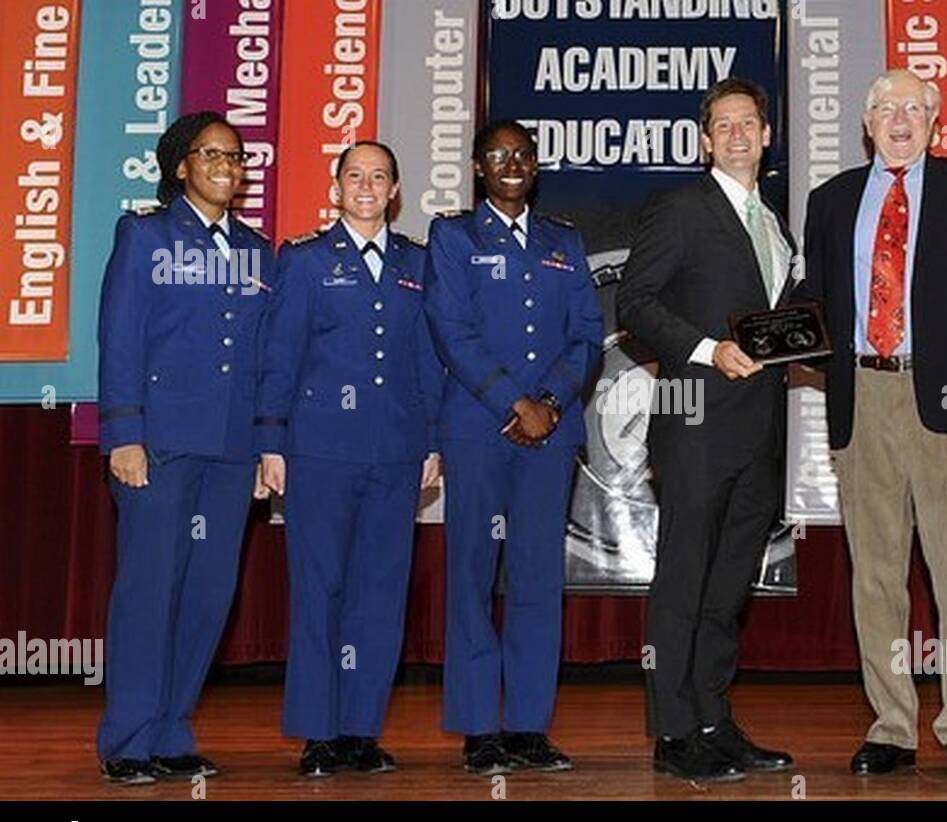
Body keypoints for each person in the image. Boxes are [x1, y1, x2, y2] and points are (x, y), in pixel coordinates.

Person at [800, 70, 947, 780]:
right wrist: (759, 334)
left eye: (916, 108)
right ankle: (891, 723)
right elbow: (812, 298)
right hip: (861, 398)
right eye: (887, 108)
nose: (901, 119)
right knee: (876, 576)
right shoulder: (830, 201)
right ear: (866, 121)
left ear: (936, 120)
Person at [616, 78, 798, 783]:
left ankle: (714, 718)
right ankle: (673, 731)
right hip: (694, 423)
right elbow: (635, 300)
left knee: (728, 587)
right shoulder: (680, 208)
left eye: (747, 123)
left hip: (761, 432)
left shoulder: (776, 221)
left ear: (767, 135)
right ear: (703, 140)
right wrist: (704, 349)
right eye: (722, 125)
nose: (737, 135)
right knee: (684, 579)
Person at [96, 111, 275, 784]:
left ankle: (172, 729)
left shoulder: (260, 249)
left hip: (231, 450)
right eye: (211, 154)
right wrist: (124, 432)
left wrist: (266, 446)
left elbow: (264, 358)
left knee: (208, 591)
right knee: (151, 588)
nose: (228, 166)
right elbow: (120, 336)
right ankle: (128, 738)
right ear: (180, 166)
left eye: (236, 156)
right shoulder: (144, 235)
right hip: (160, 445)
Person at [256, 141, 444, 777]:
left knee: (380, 593)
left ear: (395, 190)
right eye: (355, 176)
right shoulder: (305, 261)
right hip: (318, 452)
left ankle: (360, 730)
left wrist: (433, 441)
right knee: (319, 589)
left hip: (395, 454)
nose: (367, 186)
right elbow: (281, 356)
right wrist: (271, 442)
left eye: (379, 177)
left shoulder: (417, 263)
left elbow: (428, 361)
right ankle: (318, 732)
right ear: (336, 189)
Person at [426, 120, 603, 775]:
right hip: (479, 428)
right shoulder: (454, 236)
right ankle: (479, 725)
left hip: (549, 434)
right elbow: (450, 327)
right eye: (498, 154)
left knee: (537, 578)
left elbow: (587, 333)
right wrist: (513, 402)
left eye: (523, 154)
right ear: (478, 166)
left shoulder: (564, 240)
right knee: (471, 574)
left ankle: (528, 723)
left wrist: (551, 401)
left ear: (536, 164)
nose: (511, 163)